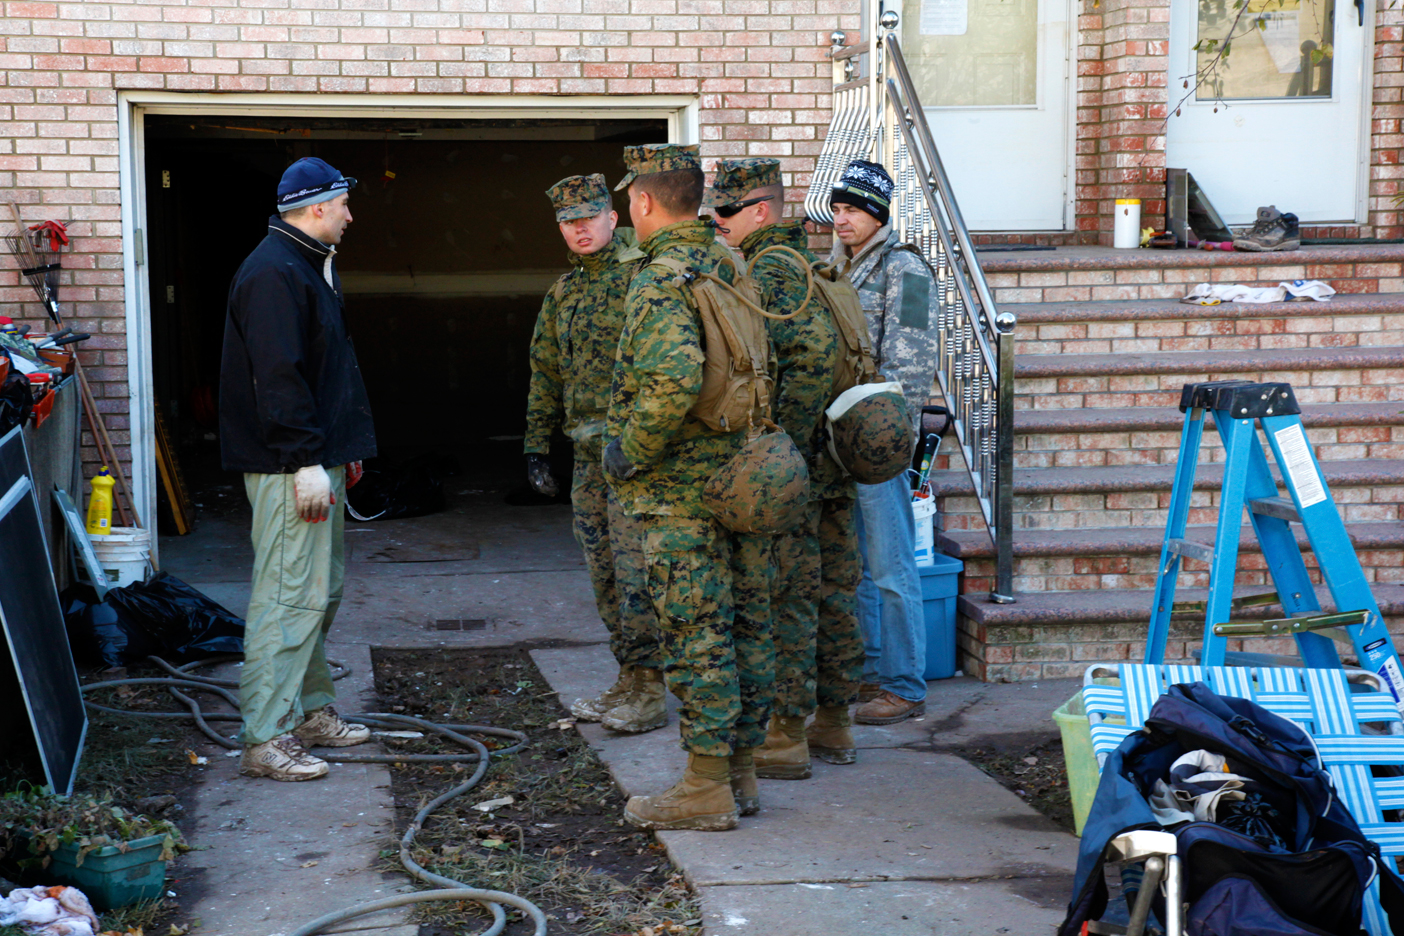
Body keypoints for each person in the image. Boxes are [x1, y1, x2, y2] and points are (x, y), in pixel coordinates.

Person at [603, 143, 772, 832]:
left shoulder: (661, 275)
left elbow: (672, 380)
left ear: (643, 201)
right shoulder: (728, 258)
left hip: (684, 491)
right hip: (743, 476)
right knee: (744, 623)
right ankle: (741, 772)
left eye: (628, 199)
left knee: (698, 629)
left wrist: (629, 453)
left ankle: (704, 787)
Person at [219, 157, 378, 781]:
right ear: (318, 208)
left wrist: (342, 449)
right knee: (288, 599)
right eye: (343, 205)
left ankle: (310, 711)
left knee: (319, 591)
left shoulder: (307, 266)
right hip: (292, 466)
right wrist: (304, 460)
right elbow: (277, 377)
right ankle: (265, 735)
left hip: (317, 455)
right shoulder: (274, 274)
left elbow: (324, 369)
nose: (349, 215)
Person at [705, 158, 864, 777]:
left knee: (789, 600)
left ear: (761, 211)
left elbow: (810, 360)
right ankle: (835, 723)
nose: (716, 221)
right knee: (833, 595)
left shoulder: (771, 270)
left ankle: (787, 733)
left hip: (801, 470)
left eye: (726, 210)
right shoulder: (813, 266)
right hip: (833, 463)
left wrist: (783, 454)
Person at [523, 173, 664, 734]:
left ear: (612, 216)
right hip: (588, 461)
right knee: (604, 573)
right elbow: (545, 372)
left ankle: (651, 690)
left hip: (635, 457)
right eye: (567, 221)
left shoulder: (644, 277)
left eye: (588, 216)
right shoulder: (565, 291)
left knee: (637, 575)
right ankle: (628, 678)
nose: (579, 228)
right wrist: (537, 447)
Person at [828, 159, 941, 726]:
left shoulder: (907, 270)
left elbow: (914, 362)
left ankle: (904, 685)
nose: (840, 219)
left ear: (877, 213)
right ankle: (870, 675)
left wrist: (883, 435)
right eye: (837, 209)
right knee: (856, 564)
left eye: (852, 209)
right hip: (837, 435)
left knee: (893, 568)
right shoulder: (835, 268)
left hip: (877, 440)